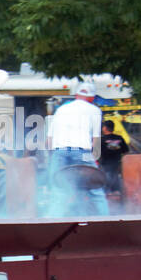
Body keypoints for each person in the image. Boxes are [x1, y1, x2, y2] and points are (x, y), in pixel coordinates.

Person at [47, 83, 106, 216]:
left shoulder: (61, 109)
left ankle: (52, 222)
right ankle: (105, 221)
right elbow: (95, 139)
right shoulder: (95, 110)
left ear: (77, 95)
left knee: (58, 190)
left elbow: (49, 139)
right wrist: (95, 159)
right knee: (95, 190)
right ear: (91, 97)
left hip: (59, 151)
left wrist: (53, 157)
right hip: (82, 152)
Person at [99, 117, 130, 196]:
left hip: (104, 168)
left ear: (105, 128)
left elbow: (94, 154)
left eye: (103, 127)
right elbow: (126, 152)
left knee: (105, 190)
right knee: (116, 188)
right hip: (117, 167)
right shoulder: (119, 138)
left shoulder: (100, 140)